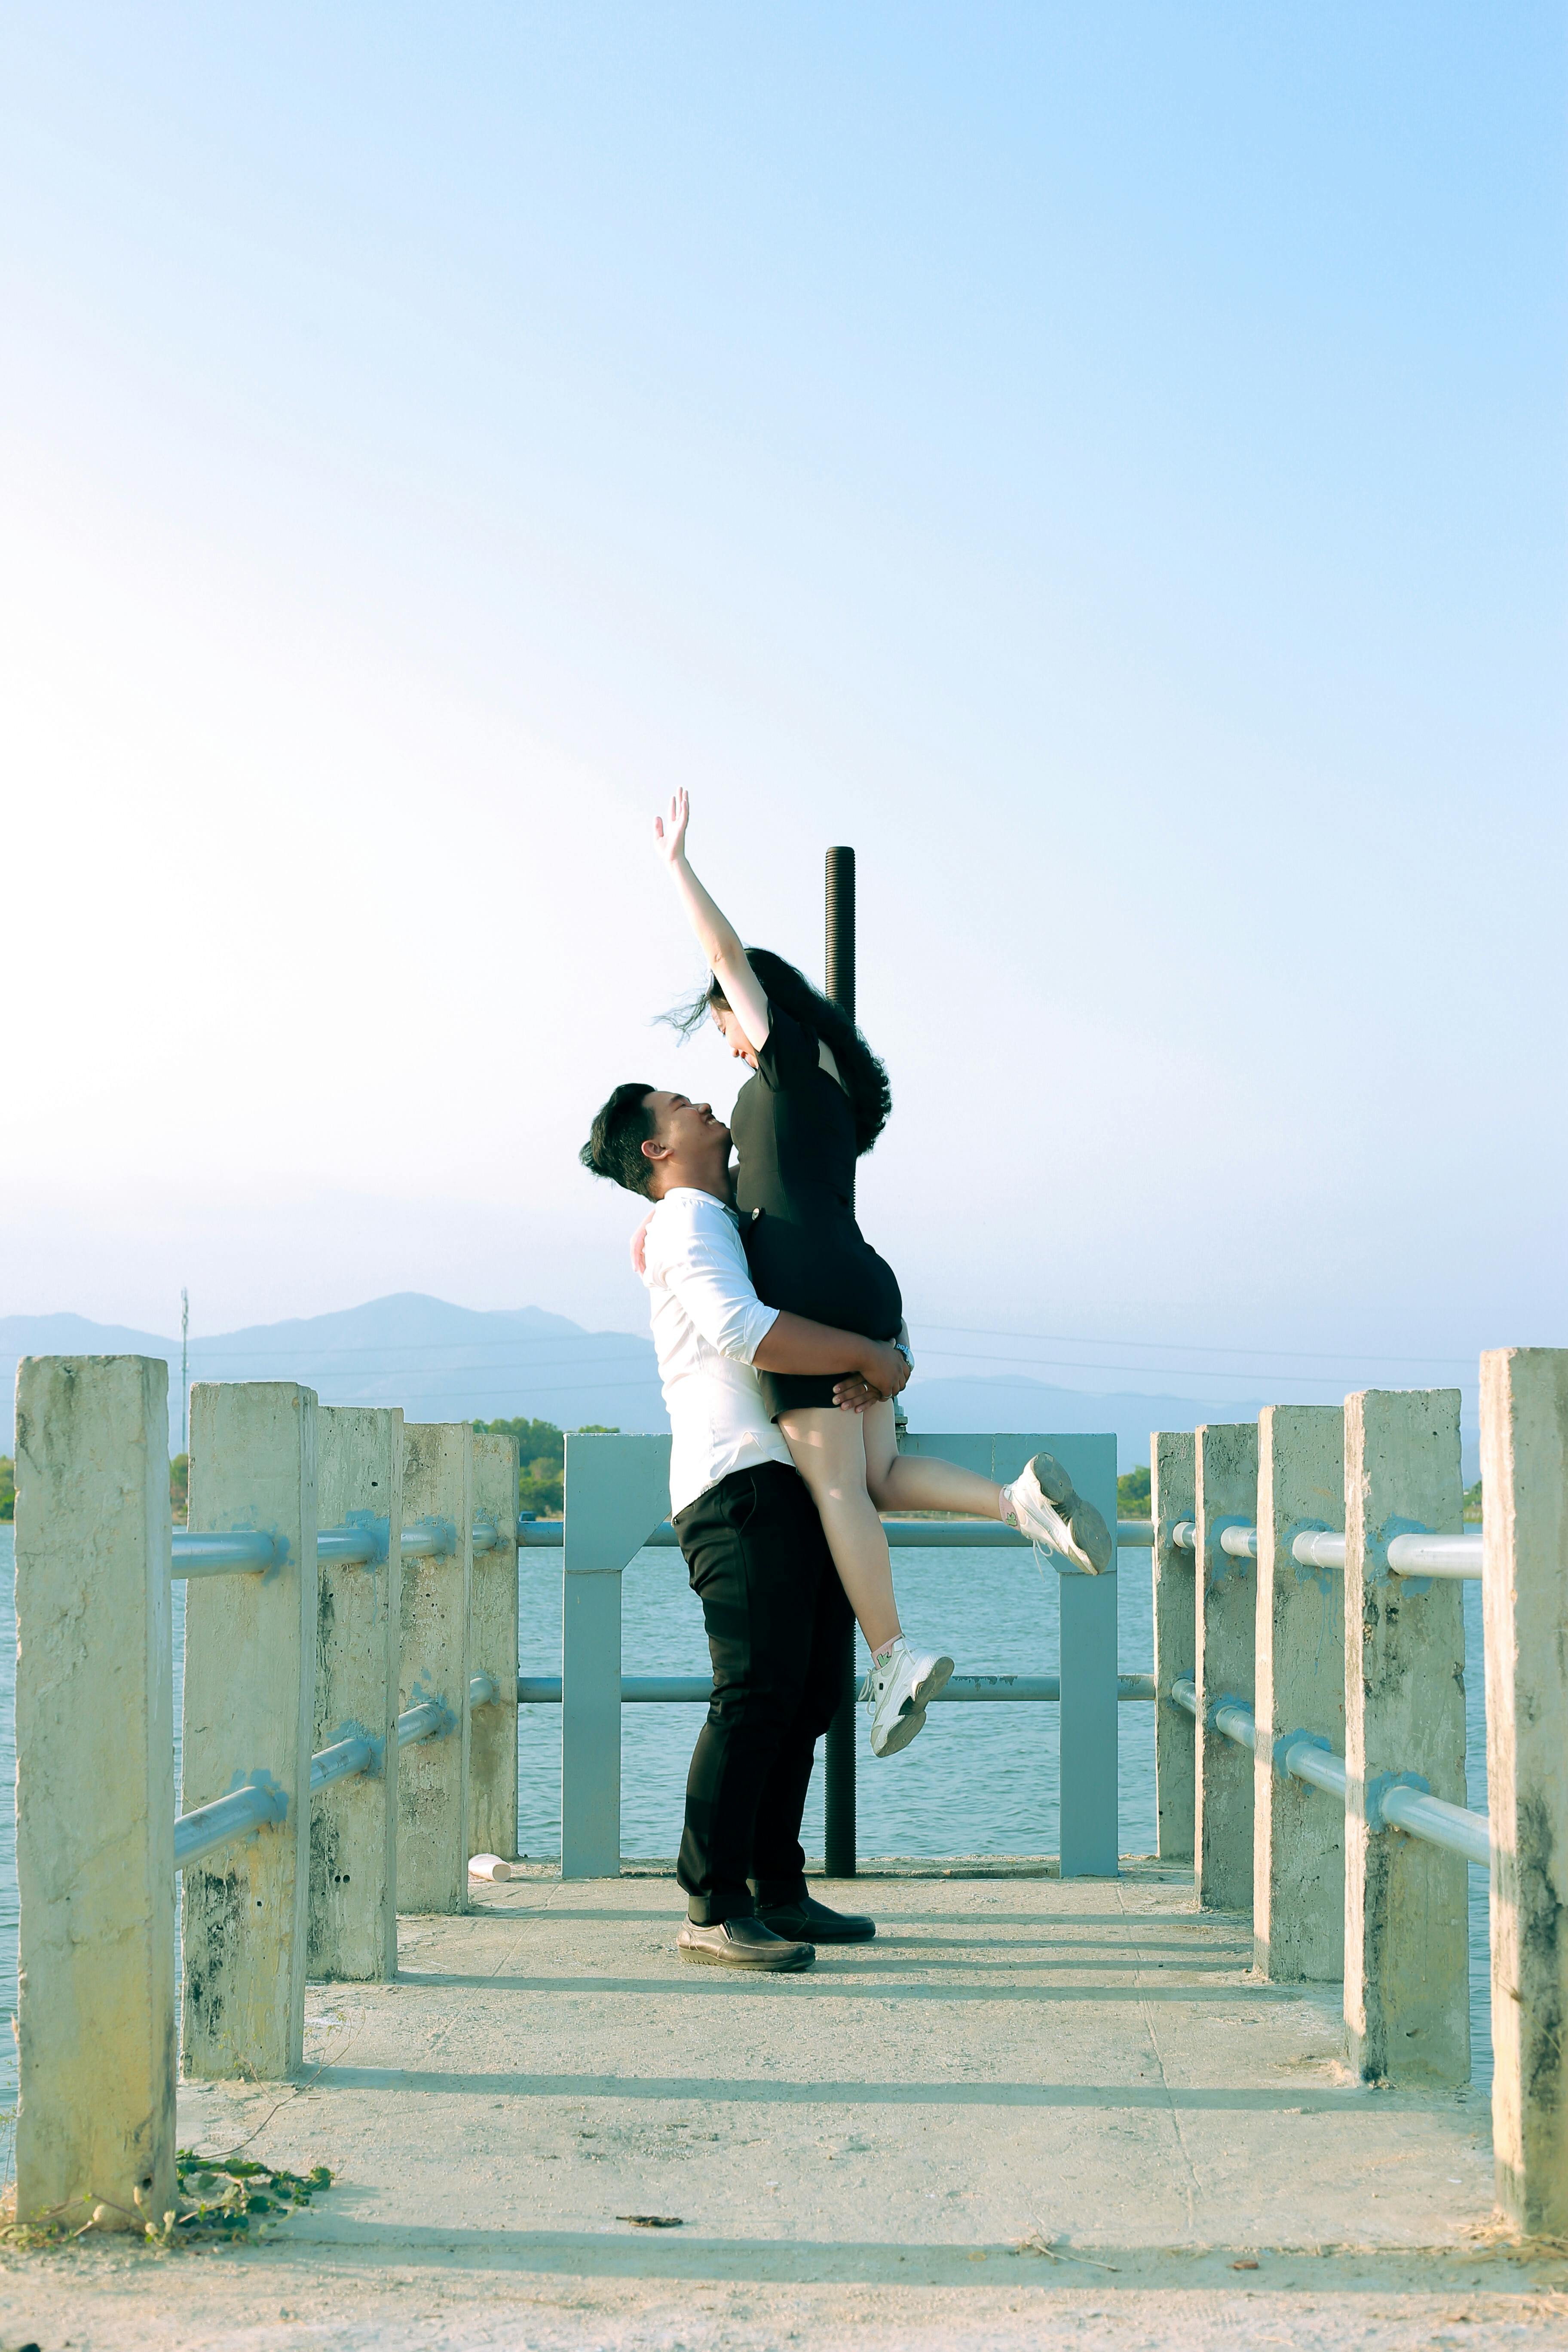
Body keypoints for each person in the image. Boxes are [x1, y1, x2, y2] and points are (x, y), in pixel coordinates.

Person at [651, 787, 1113, 1760]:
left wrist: (677, 866)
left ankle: (893, 1655)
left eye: (727, 1027)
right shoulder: (833, 1084)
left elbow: (726, 956)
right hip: (865, 1283)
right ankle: (1017, 1503)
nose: (730, 1045)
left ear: (757, 1011)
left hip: (810, 1292)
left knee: (836, 1492)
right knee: (878, 1473)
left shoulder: (782, 1064)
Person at [580, 1078, 905, 1969]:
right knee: (756, 1693)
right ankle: (714, 1905)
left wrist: (873, 1361)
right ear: (656, 1149)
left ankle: (777, 1889)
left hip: (790, 1478)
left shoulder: (718, 1220)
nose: (703, 1105)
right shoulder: (686, 1220)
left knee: (808, 1695)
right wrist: (866, 1353)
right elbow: (741, 1328)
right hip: (736, 1482)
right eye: (680, 1105)